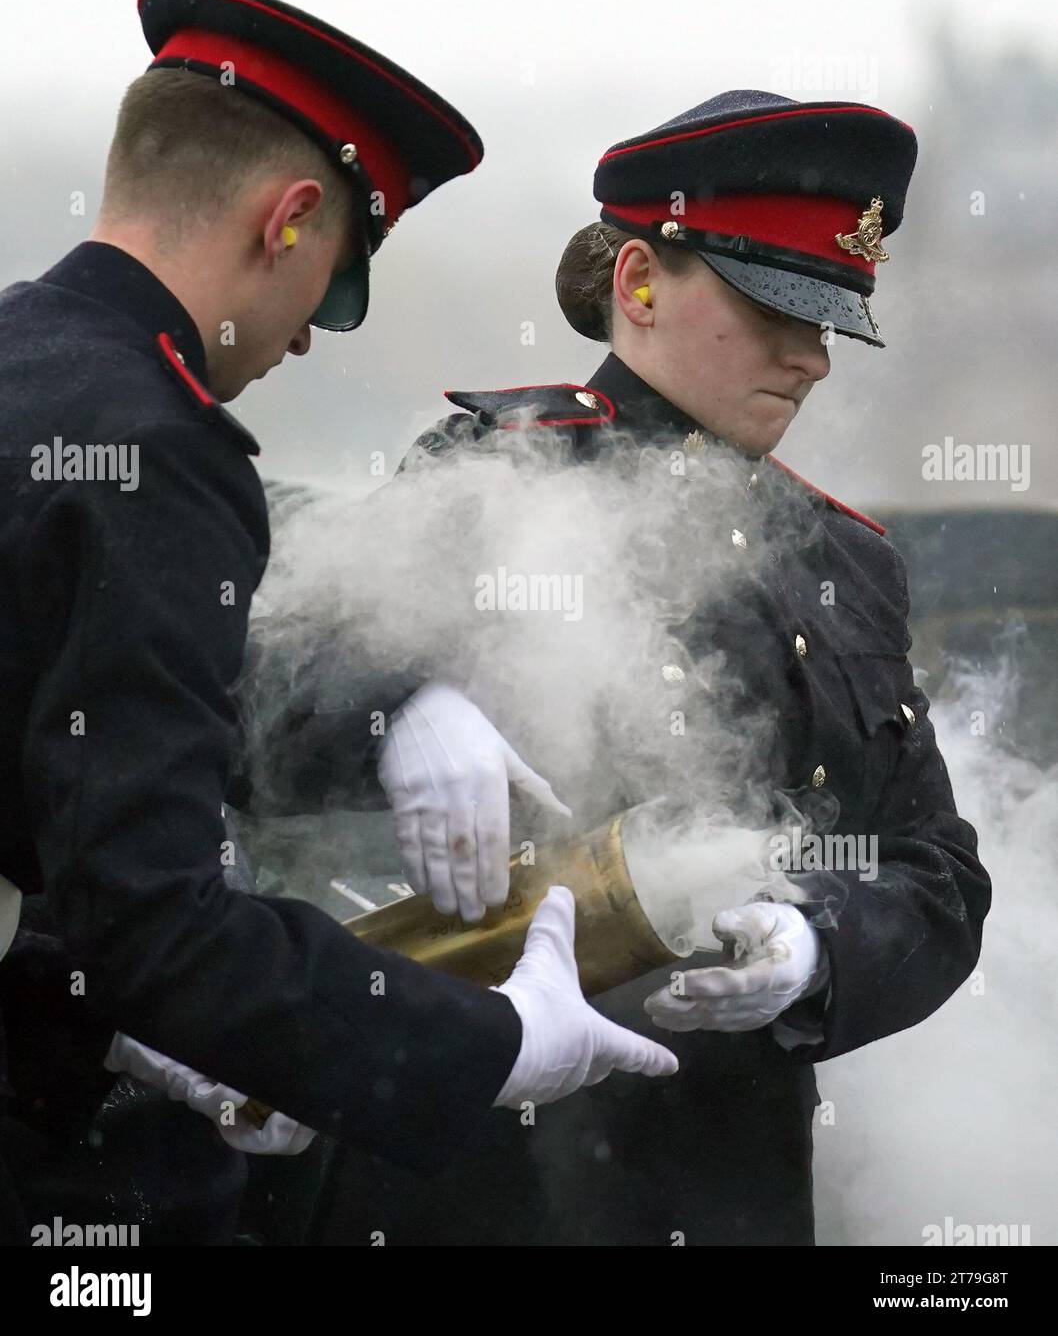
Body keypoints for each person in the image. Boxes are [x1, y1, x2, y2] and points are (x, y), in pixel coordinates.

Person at [0, 0, 676, 1246]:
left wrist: (135, 1031)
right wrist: (494, 1040)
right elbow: (151, 920)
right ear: (291, 219)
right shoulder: (159, 446)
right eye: (341, 283)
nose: (312, 338)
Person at [315, 90, 992, 1245]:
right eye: (775, 307)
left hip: (729, 1186)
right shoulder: (492, 474)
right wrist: (403, 705)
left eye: (829, 322)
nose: (812, 357)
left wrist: (818, 943)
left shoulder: (847, 561)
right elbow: (277, 708)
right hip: (487, 1185)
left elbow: (939, 878)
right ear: (637, 284)